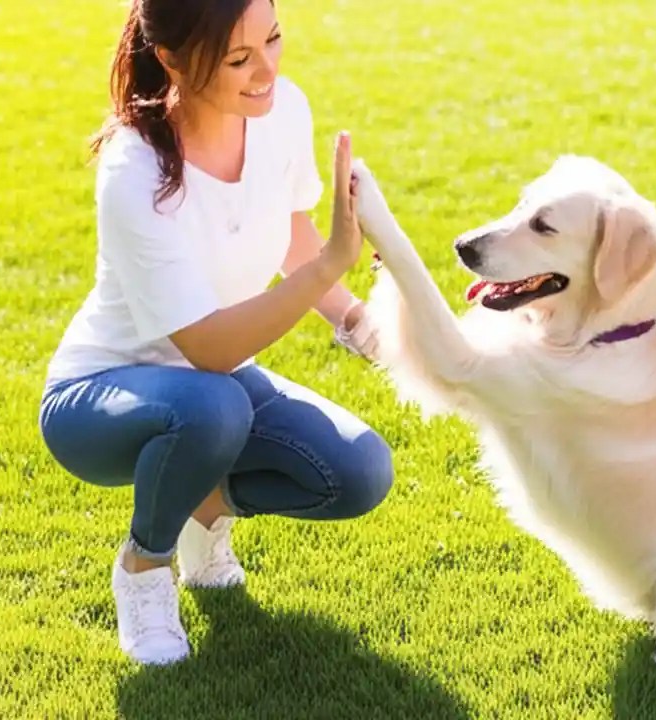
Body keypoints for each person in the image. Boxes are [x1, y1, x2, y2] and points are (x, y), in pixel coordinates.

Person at [37, 0, 392, 666]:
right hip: (100, 398)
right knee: (215, 404)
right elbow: (209, 348)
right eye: (238, 59)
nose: (267, 70)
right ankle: (144, 567)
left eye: (273, 40)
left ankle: (202, 512)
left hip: (214, 388)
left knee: (358, 471)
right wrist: (328, 267)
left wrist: (354, 319)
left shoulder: (282, 111)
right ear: (172, 59)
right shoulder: (135, 169)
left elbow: (288, 225)